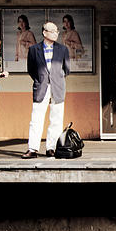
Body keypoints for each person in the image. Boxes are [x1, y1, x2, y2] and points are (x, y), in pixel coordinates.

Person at [21, 21, 70, 159]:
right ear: (44, 33)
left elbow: (66, 70)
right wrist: (40, 80)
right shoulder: (33, 49)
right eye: (53, 31)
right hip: (41, 87)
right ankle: (33, 149)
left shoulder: (63, 49)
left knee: (56, 119)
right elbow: (31, 70)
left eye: (57, 31)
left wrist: (56, 79)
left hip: (58, 87)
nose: (56, 33)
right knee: (36, 119)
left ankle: (51, 148)